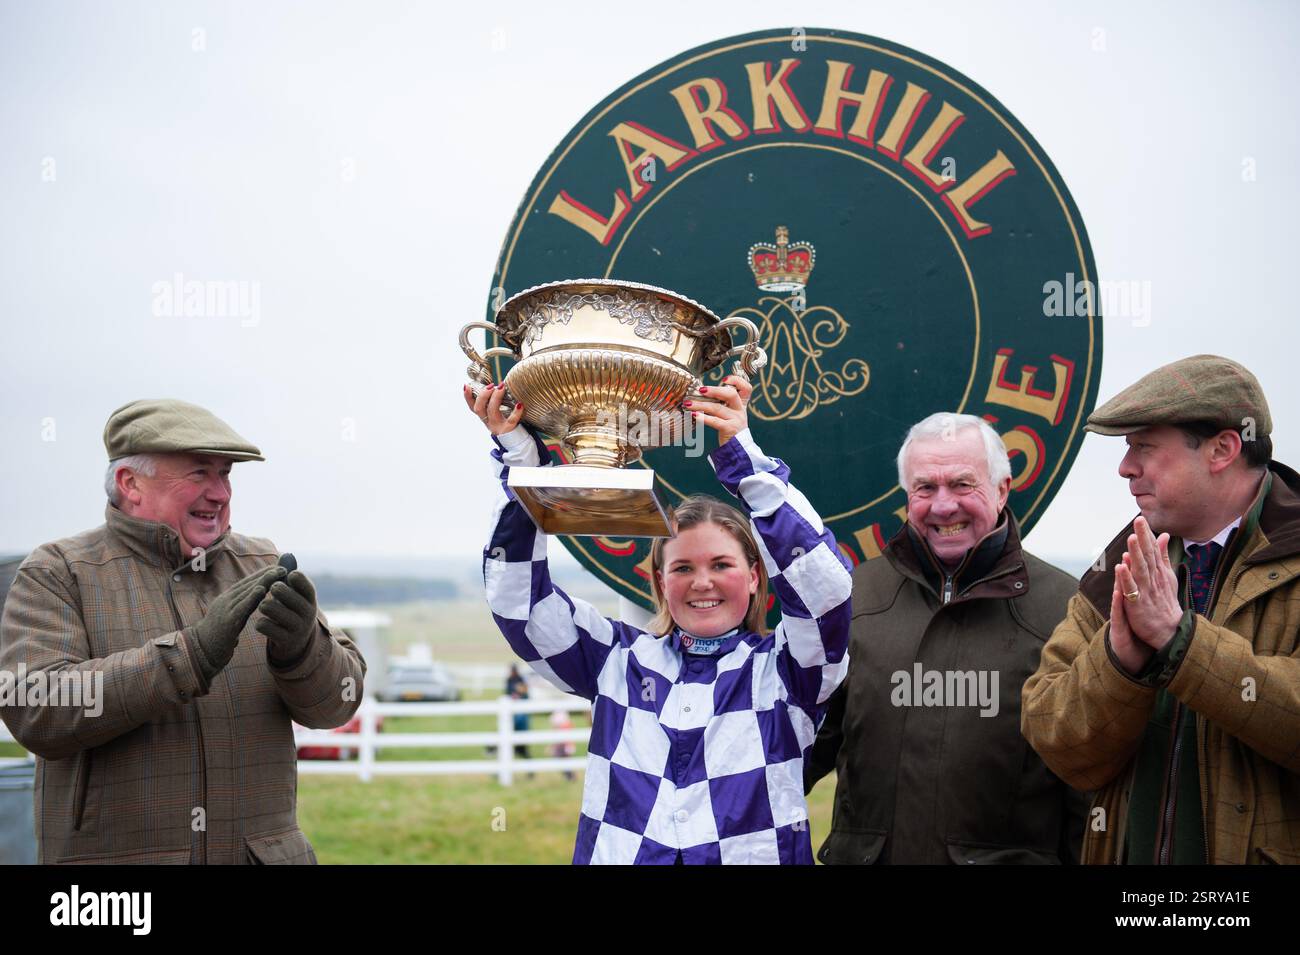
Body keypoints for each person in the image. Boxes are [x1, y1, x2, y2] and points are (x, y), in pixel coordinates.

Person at [466, 377, 851, 864]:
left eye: (721, 565)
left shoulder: (789, 670)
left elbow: (827, 591)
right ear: (659, 581)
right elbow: (519, 605)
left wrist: (745, 462)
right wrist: (525, 469)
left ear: (756, 576)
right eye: (683, 568)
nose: (702, 582)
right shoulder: (616, 659)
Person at [0, 399, 366, 864]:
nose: (220, 493)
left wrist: (303, 653)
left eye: (225, 474)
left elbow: (336, 705)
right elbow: (38, 710)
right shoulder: (60, 572)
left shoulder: (259, 564)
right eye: (198, 474)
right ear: (130, 483)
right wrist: (188, 657)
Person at [1022, 355, 1300, 864]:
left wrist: (1181, 642)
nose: (1126, 468)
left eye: (1143, 447)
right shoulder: (1118, 563)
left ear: (1222, 448)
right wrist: (1118, 661)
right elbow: (1054, 738)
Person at [803, 412, 1086, 863]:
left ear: (1002, 489)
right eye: (925, 488)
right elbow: (801, 748)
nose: (943, 506)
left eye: (961, 484)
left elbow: (1085, 787)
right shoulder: (855, 596)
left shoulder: (1066, 608)